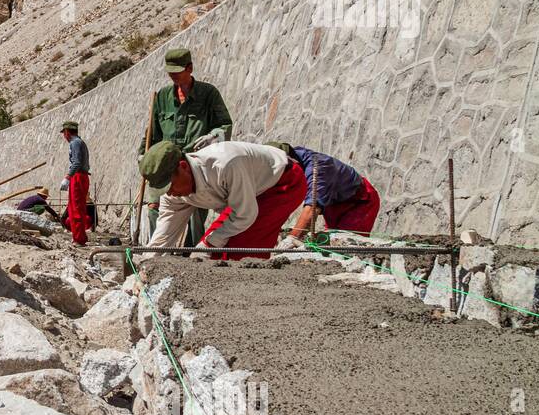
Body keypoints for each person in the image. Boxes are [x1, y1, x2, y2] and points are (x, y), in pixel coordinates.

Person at [138, 139, 306, 260]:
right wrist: (148, 261)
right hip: (244, 197)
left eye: (170, 185)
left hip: (283, 183)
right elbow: (164, 235)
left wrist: (209, 245)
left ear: (183, 167)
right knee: (211, 253)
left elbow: (245, 214)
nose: (170, 192)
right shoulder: (174, 195)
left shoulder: (225, 165)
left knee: (239, 252)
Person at [140, 48, 233, 245]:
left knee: (197, 212)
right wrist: (144, 155)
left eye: (178, 70)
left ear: (190, 68)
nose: (173, 75)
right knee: (156, 206)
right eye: (170, 71)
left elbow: (224, 124)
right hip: (165, 165)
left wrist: (213, 136)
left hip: (194, 166)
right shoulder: (163, 97)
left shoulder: (208, 94)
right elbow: (152, 132)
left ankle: (192, 256)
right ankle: (156, 255)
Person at [266, 142, 381, 239]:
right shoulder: (296, 157)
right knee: (330, 243)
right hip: (333, 205)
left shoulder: (317, 169)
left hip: (359, 201)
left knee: (344, 245)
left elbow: (311, 210)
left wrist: (291, 239)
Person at [60, 121, 92, 245]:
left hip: (78, 176)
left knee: (76, 208)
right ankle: (78, 236)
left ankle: (79, 238)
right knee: (78, 207)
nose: (64, 136)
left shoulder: (75, 143)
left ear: (67, 132)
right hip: (81, 176)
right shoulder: (80, 143)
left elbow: (77, 162)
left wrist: (68, 176)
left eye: (64, 133)